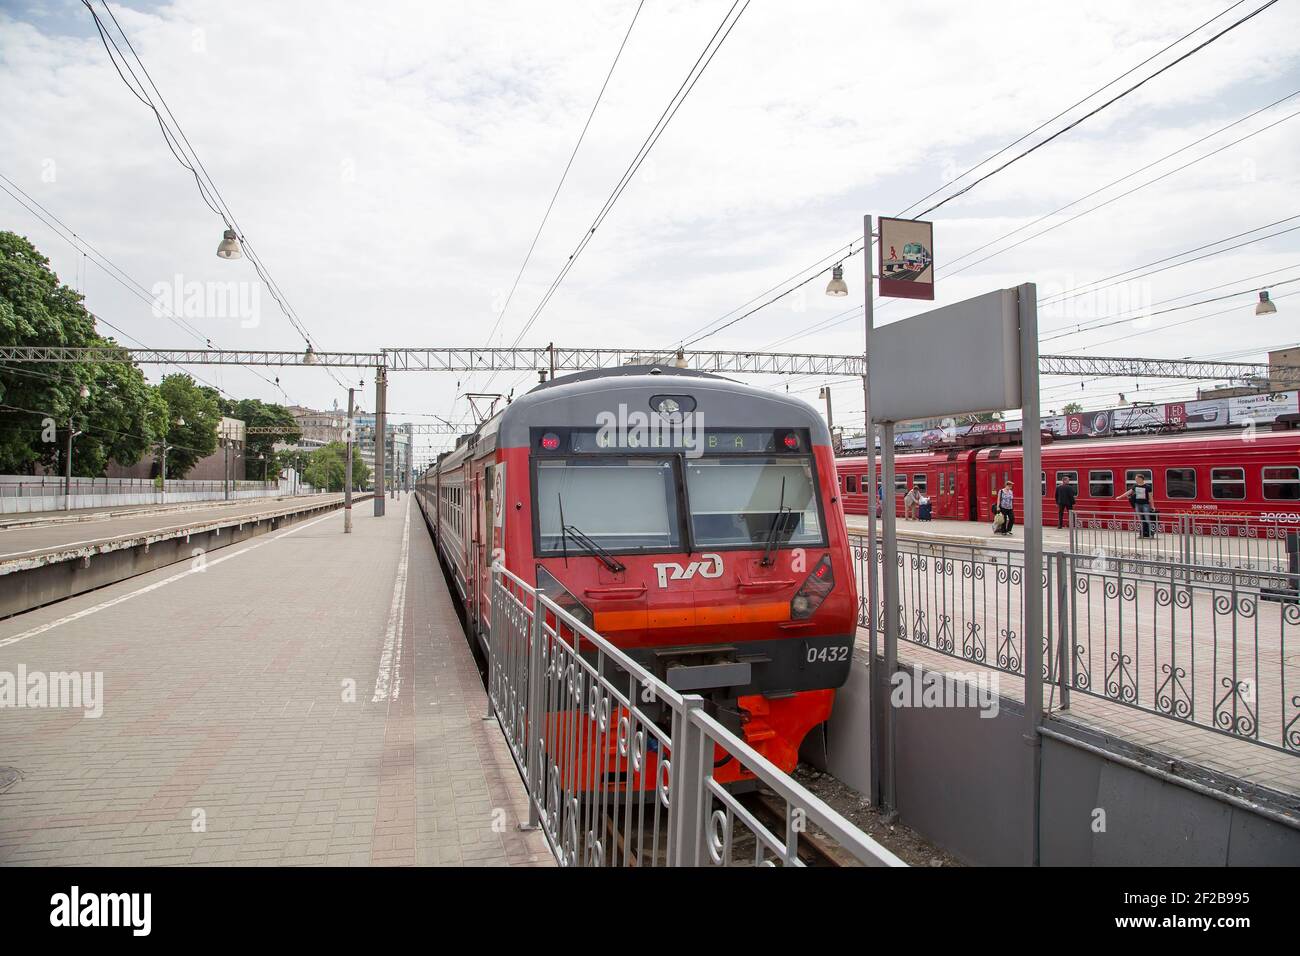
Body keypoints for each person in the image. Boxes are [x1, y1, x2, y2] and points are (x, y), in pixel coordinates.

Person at [1117, 473, 1156, 538]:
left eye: (1137, 479)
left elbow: (1151, 497)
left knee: (1147, 519)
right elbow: (1128, 492)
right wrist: (1120, 497)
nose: (1136, 480)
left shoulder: (1148, 487)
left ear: (1141, 479)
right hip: (1137, 505)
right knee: (1141, 520)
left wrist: (1152, 506)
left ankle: (1151, 533)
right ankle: (1142, 534)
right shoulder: (1135, 486)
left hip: (1145, 505)